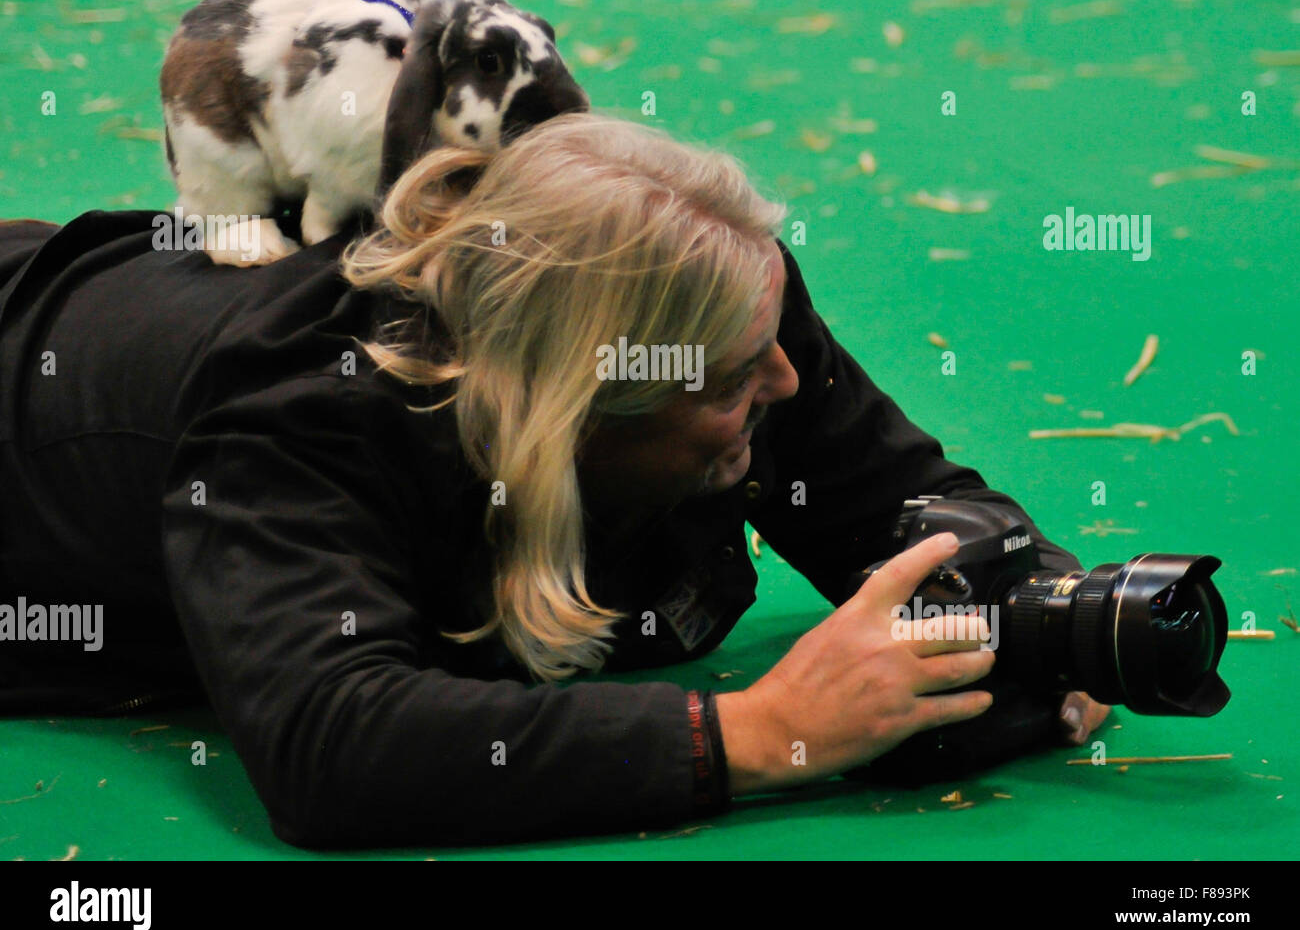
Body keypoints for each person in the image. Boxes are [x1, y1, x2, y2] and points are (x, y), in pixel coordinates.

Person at [0, 112, 1107, 847]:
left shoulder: (714, 311)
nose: (784, 382)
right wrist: (757, 733)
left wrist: (1044, 613)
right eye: (733, 383)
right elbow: (331, 742)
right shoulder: (302, 423)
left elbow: (897, 502)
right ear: (580, 404)